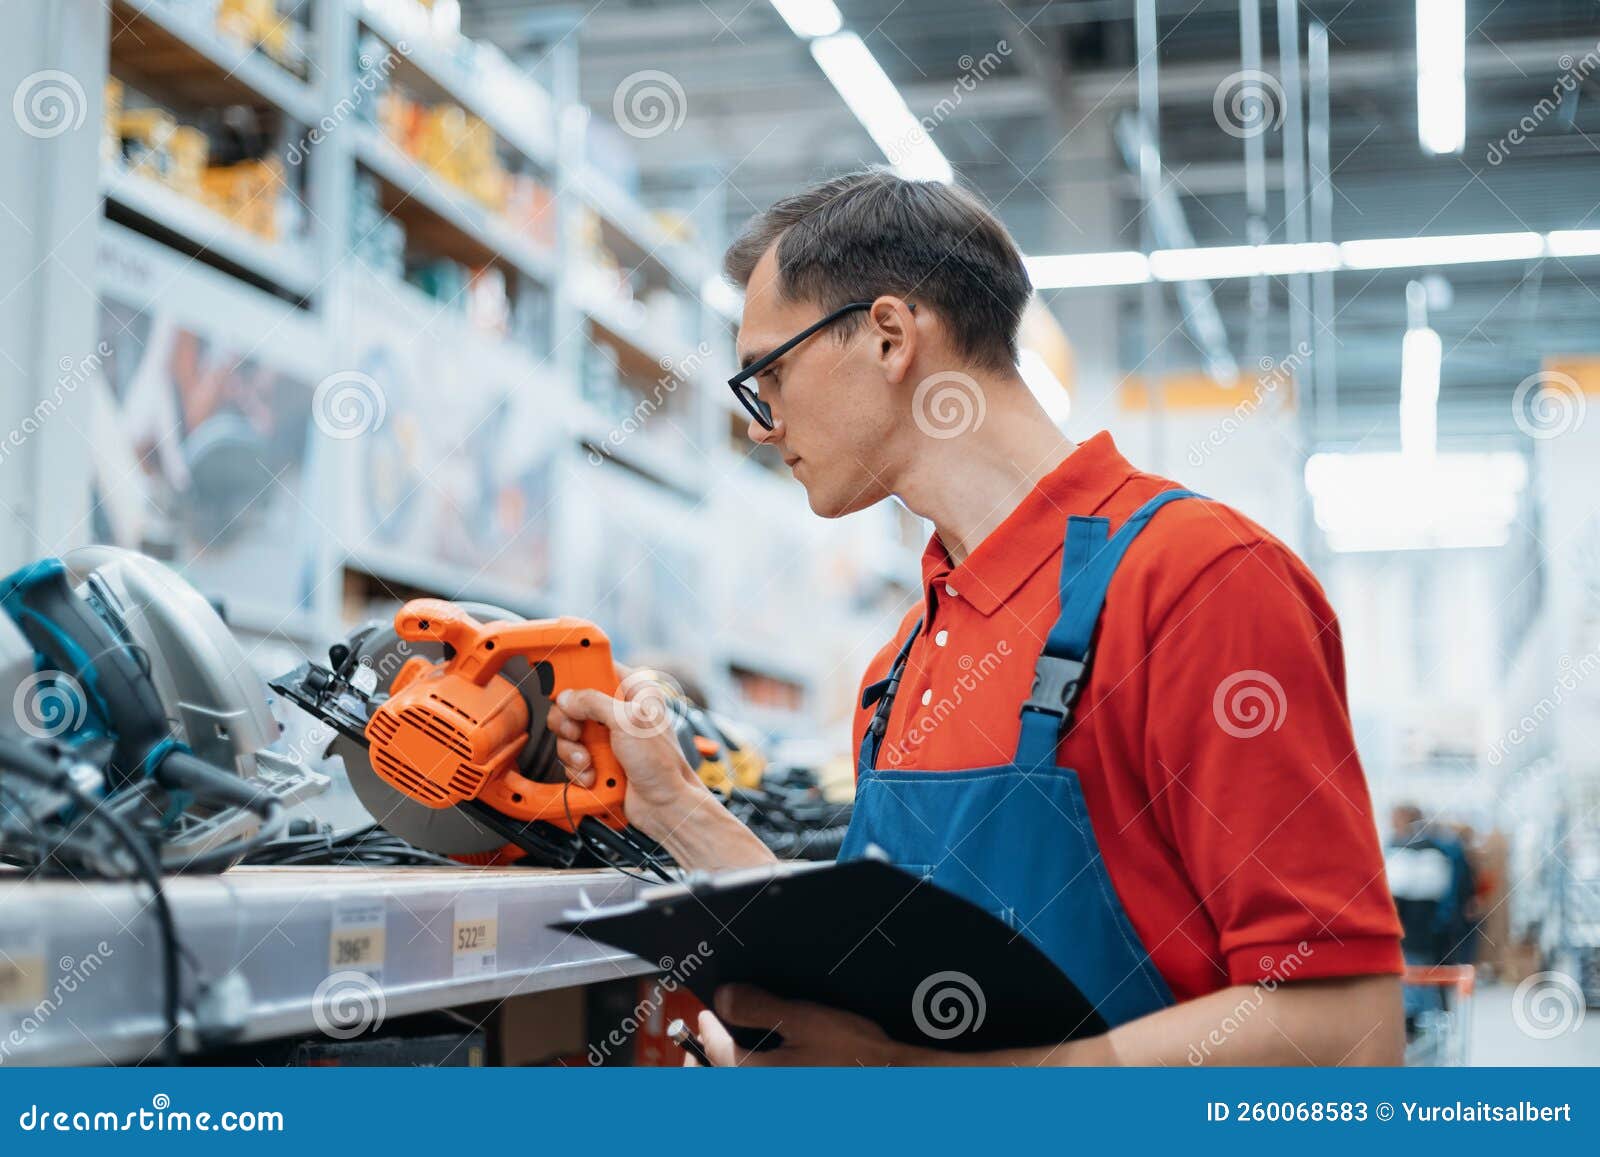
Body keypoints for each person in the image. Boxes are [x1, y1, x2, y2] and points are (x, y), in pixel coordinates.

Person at [548, 169, 1405, 1066]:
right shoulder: (901, 665)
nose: (762, 425)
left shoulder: (1196, 584)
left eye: (768, 373)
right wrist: (676, 808)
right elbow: (879, 980)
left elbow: (1345, 1031)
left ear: (888, 337)